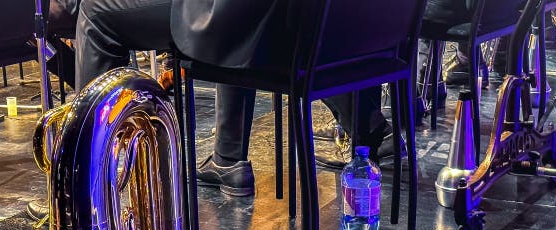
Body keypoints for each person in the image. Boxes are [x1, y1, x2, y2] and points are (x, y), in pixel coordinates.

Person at [75, 0, 397, 195]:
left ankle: (82, 181)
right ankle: (229, 159)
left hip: (254, 19)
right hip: (333, 23)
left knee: (96, 13)